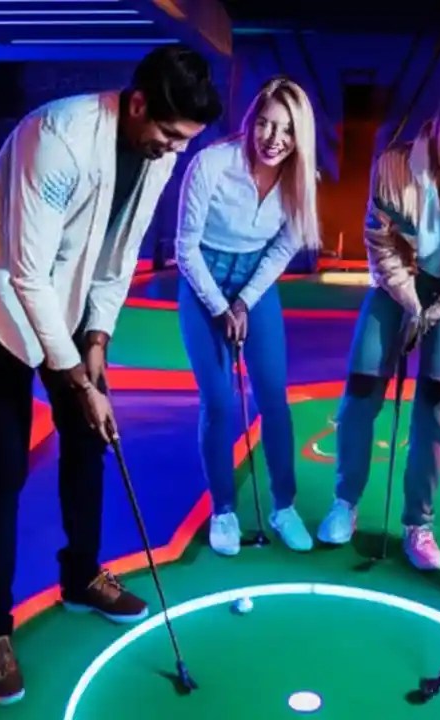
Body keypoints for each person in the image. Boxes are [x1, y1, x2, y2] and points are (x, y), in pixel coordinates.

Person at [0, 43, 222, 705]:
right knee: (5, 462)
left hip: (61, 291)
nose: (172, 149)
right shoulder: (56, 138)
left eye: (184, 140)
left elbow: (119, 252)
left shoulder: (160, 153)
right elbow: (25, 273)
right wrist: (75, 379)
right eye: (167, 133)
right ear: (136, 105)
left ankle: (81, 576)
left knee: (89, 438)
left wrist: (96, 340)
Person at [316, 81, 440, 571]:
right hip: (397, 284)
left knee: (435, 405)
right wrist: (409, 302)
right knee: (361, 386)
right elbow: (380, 244)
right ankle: (345, 502)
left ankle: (417, 525)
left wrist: (435, 313)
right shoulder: (393, 165)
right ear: (435, 125)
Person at [173, 77, 321, 556]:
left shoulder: (302, 179)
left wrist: (244, 302)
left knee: (273, 398)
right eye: (264, 123)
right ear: (251, 120)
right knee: (218, 401)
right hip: (203, 282)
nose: (273, 138)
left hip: (255, 284)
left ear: (301, 136)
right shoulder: (211, 164)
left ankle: (284, 506)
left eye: (286, 129)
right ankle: (224, 510)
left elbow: (283, 247)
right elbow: (185, 247)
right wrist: (219, 306)